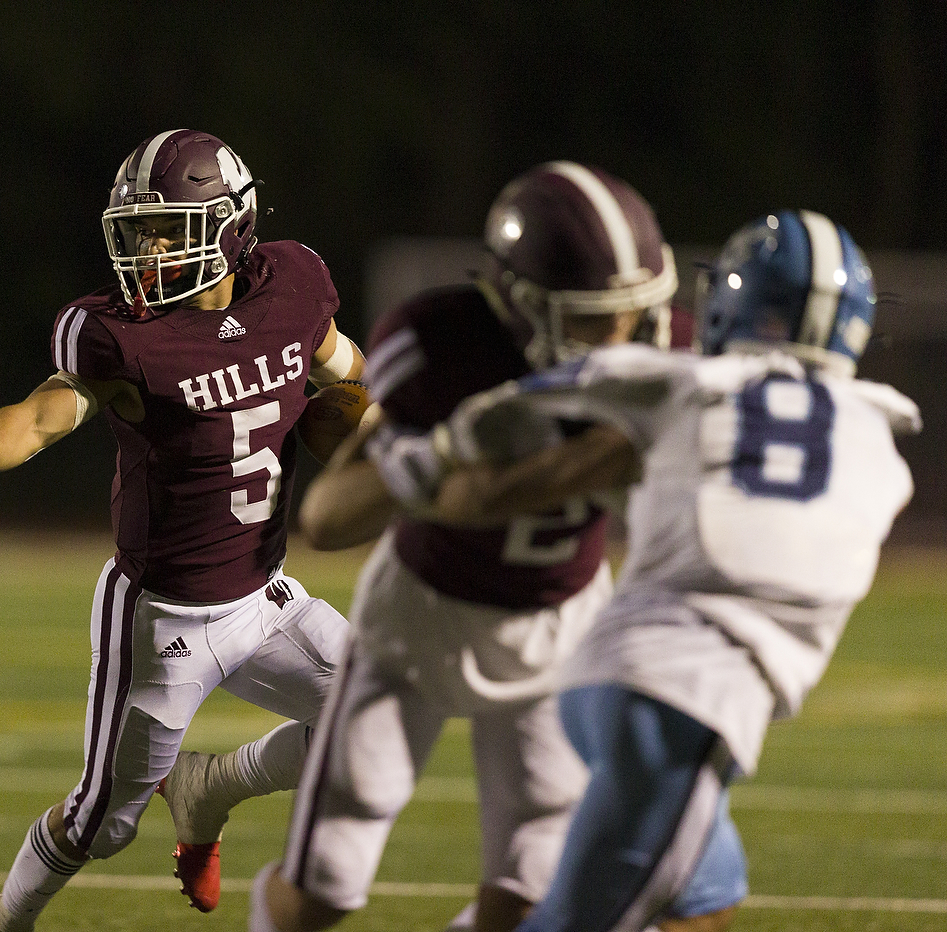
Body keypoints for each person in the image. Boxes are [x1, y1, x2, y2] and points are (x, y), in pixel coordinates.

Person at [365, 209, 917, 932]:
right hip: (687, 699)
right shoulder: (882, 426)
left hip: (604, 676)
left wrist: (432, 455)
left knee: (707, 902)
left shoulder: (681, 380)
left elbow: (545, 389)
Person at [0, 129, 367, 931]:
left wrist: (381, 433)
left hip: (269, 597)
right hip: (162, 616)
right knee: (99, 825)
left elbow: (344, 373)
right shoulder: (119, 335)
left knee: (373, 720)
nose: (145, 253)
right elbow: (44, 415)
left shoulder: (292, 286)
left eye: (165, 232)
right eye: (135, 233)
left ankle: (214, 784)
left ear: (230, 227)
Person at [250, 161, 716, 932]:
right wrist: (422, 463)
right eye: (601, 315)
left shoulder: (673, 353)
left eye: (640, 309)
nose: (628, 335)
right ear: (524, 306)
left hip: (560, 622)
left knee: (527, 886)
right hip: (420, 620)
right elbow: (330, 520)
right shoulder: (445, 341)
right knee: (325, 884)